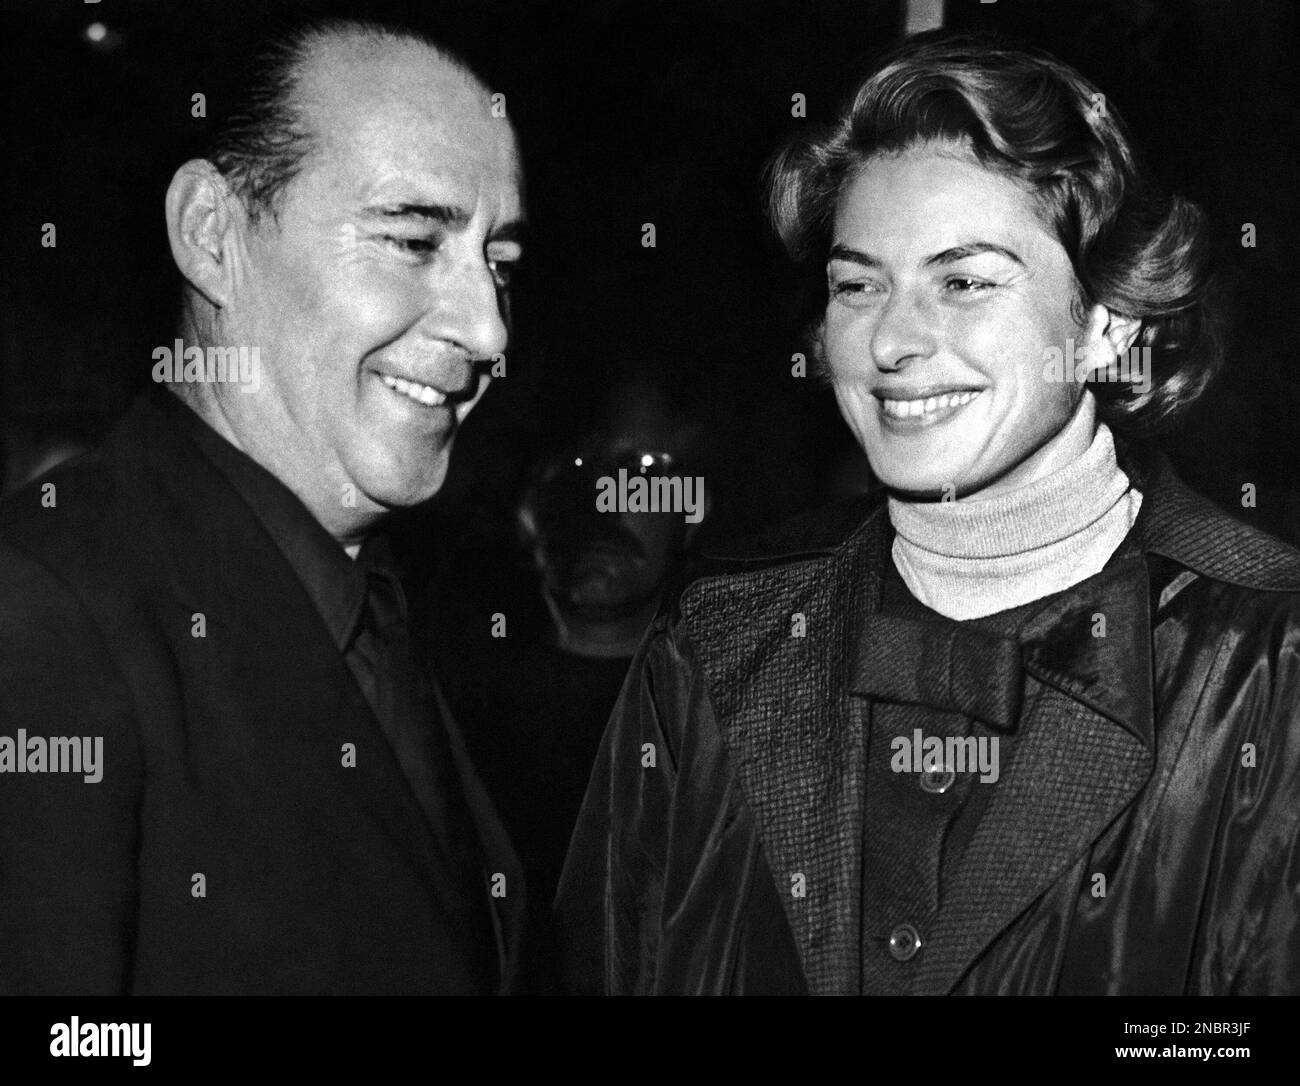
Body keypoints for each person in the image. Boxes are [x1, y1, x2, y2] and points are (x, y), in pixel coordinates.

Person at [556, 30, 1300, 995]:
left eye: (964, 280)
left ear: (1106, 323)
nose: (894, 341)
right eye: (858, 284)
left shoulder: (1264, 659)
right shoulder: (714, 641)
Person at [0, 17, 526, 995]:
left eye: (500, 261)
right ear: (212, 233)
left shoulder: (375, 603)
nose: (490, 327)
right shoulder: (41, 611)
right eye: (414, 239)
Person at [422, 375, 708, 984]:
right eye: (577, 465)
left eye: (643, 468)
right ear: (527, 509)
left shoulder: (723, 734)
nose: (604, 497)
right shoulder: (444, 721)